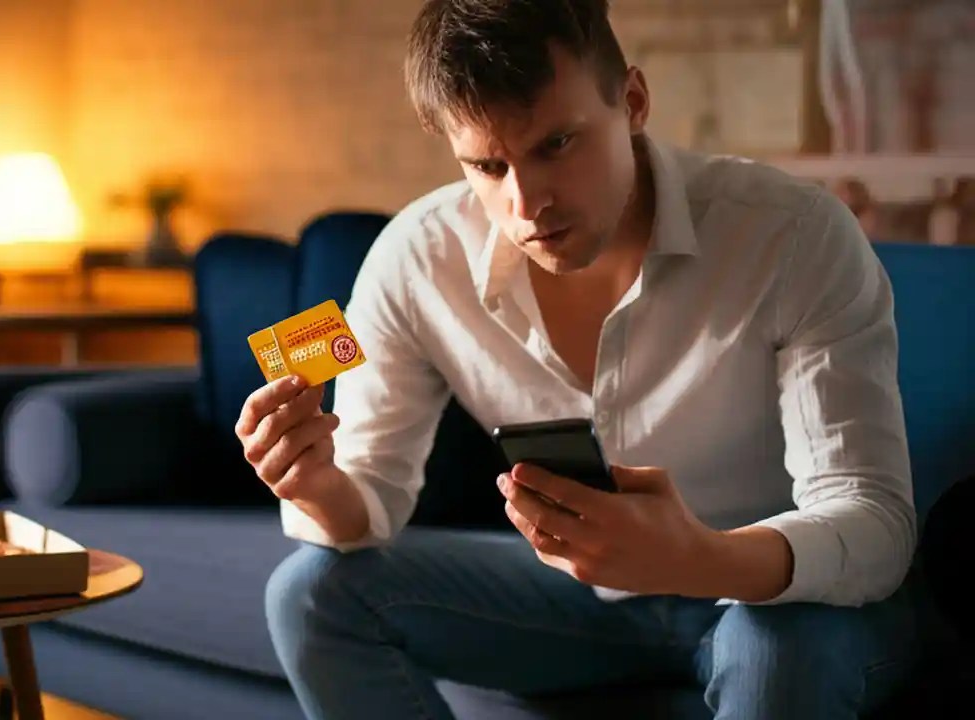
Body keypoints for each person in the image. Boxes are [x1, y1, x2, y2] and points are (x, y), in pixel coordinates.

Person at [234, 1, 917, 718]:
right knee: (309, 592)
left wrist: (700, 558)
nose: (528, 203)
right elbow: (365, 504)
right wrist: (313, 483)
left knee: (775, 651)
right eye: (488, 166)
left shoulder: (792, 235)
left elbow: (874, 522)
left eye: (557, 144)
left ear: (632, 102)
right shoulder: (417, 260)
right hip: (584, 603)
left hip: (773, 598)